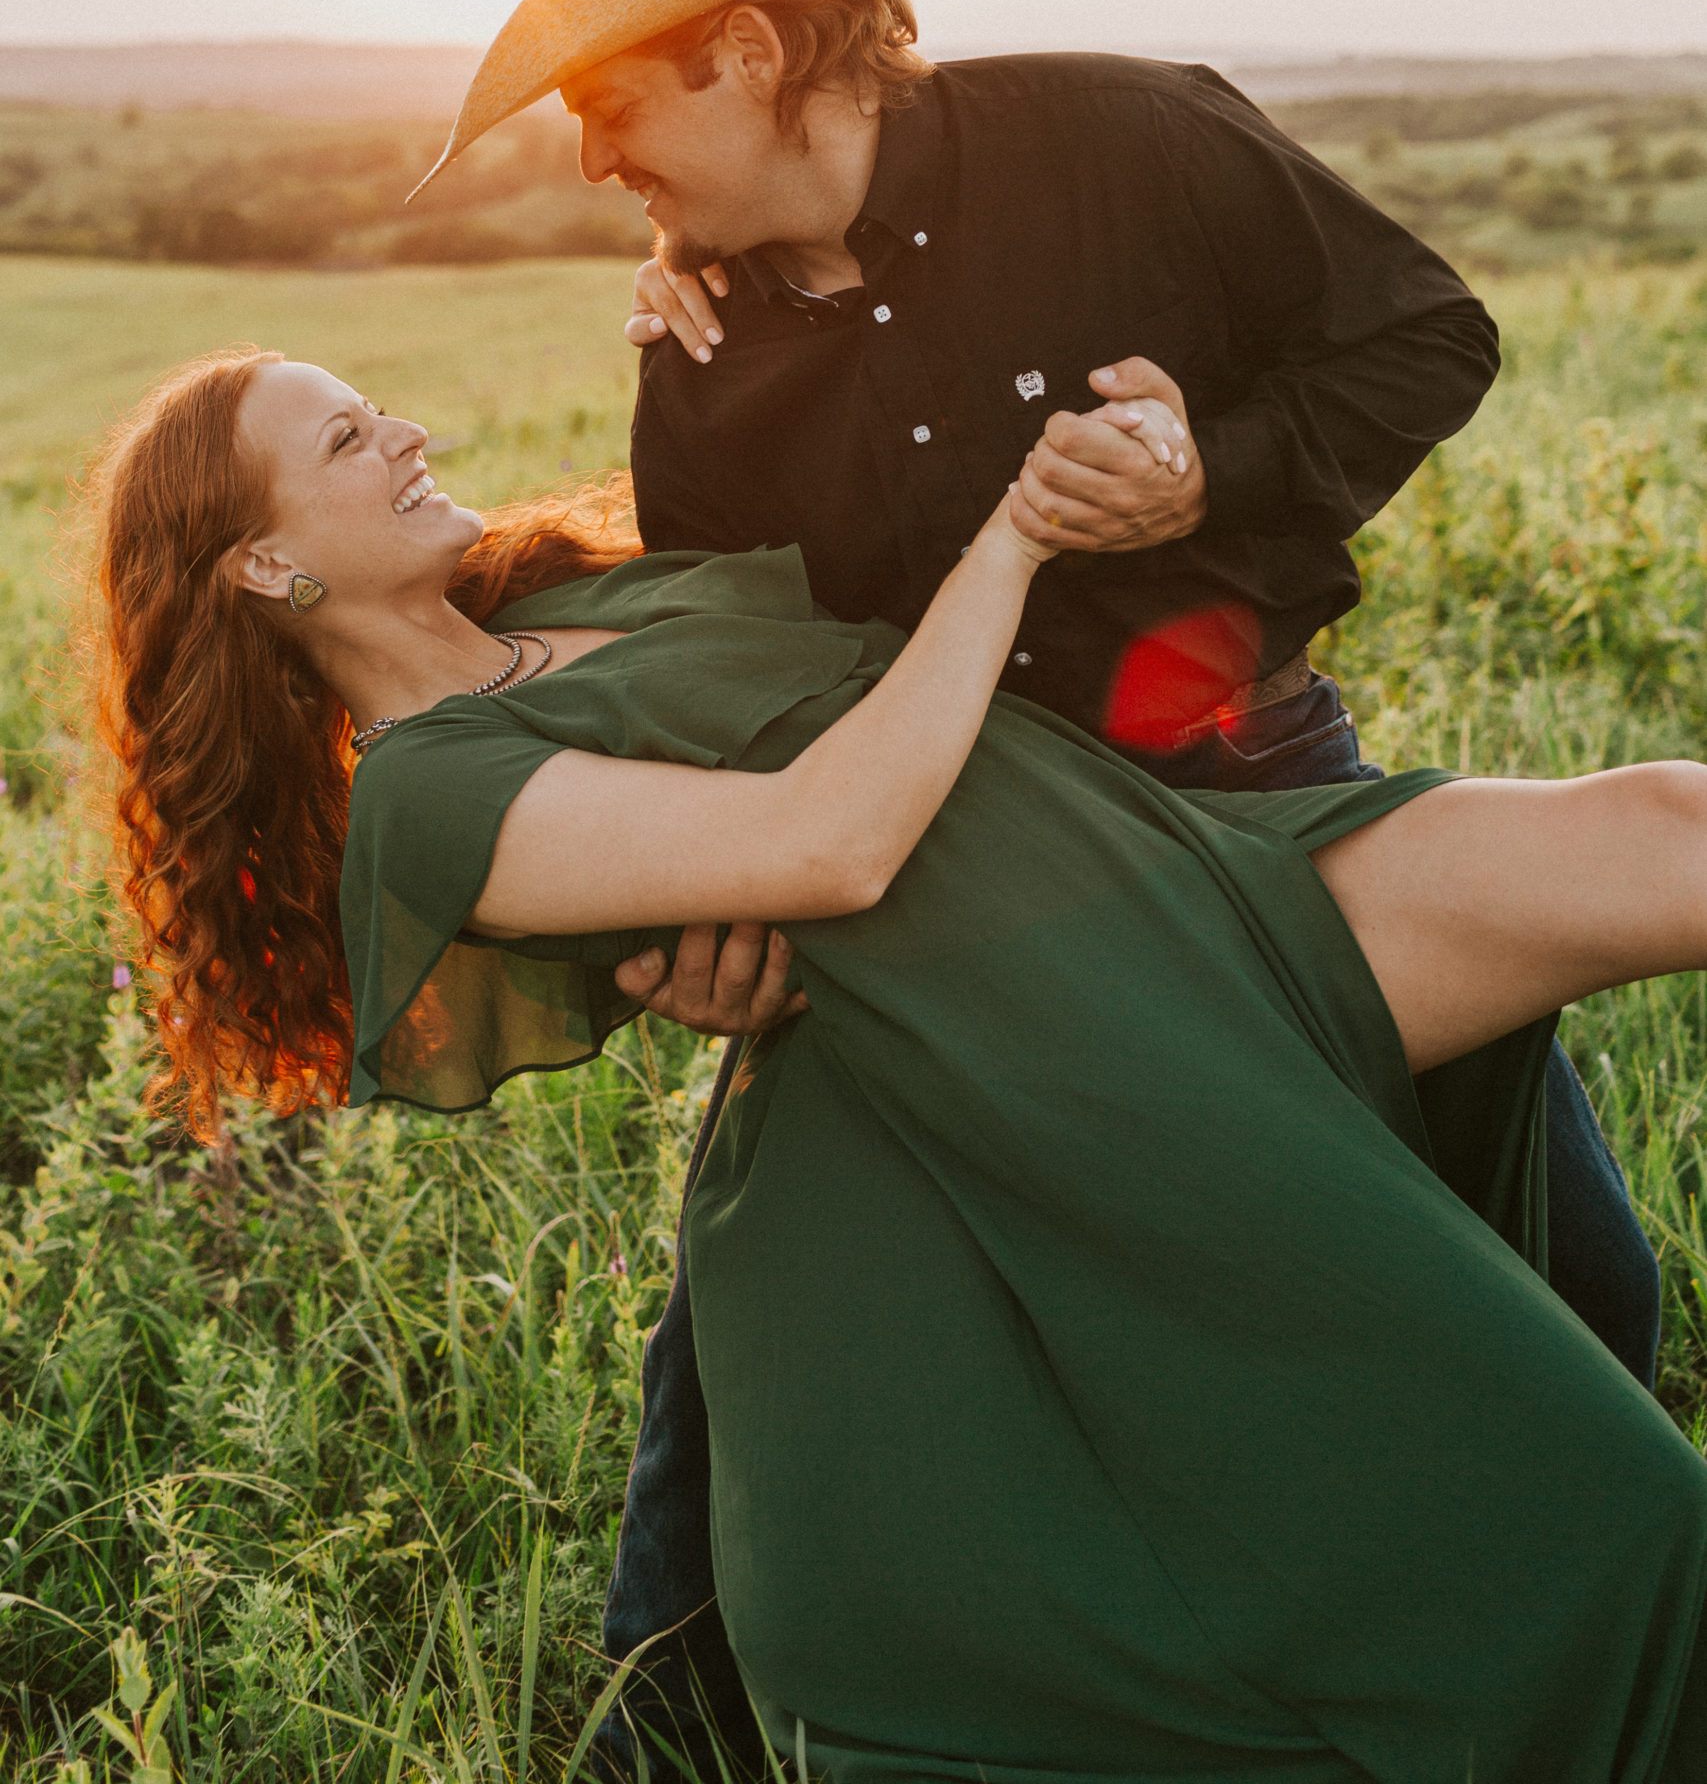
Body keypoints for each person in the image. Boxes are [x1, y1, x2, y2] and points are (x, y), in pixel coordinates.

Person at [417, 0, 1663, 1766]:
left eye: (604, 102)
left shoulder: (1129, 136)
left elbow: (1425, 337)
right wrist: (707, 937)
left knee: (1551, 1270)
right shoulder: (699, 355)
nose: (592, 162)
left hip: (1254, 798)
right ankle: (687, 1724)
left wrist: (1209, 472)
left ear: (741, 52)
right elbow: (747, 700)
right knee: (738, 1367)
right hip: (948, 900)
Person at [88, 347, 1707, 1781]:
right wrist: (1016, 535)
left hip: (1170, 868)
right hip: (1041, 1027)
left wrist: (694, 291)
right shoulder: (427, 794)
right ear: (265, 565)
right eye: (350, 439)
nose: (410, 433)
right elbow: (833, 842)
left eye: (381, 407)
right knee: (1570, 1515)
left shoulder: (557, 601)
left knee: (1663, 828)